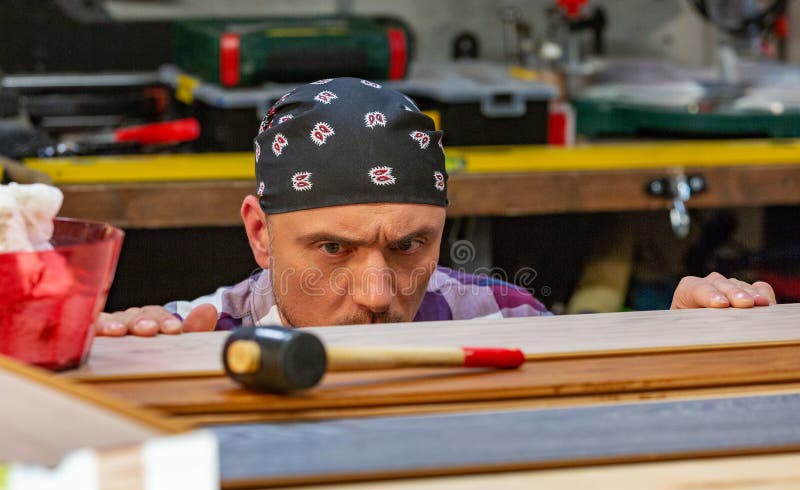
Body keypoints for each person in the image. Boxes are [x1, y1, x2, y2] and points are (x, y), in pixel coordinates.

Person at [95, 78, 776, 337]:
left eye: (409, 246)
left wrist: (681, 342)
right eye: (333, 248)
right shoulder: (193, 339)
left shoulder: (507, 321)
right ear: (260, 234)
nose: (377, 295)